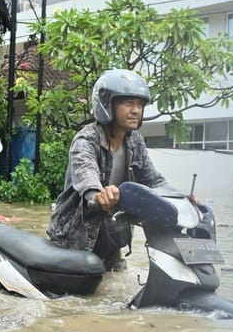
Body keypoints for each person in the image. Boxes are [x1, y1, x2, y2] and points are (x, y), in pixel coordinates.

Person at [47, 69, 169, 271]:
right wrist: (99, 193)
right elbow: (86, 176)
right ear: (107, 105)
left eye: (140, 104)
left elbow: (154, 181)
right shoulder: (86, 140)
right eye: (128, 103)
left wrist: (180, 198)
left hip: (112, 239)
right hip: (74, 241)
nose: (136, 110)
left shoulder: (135, 141)